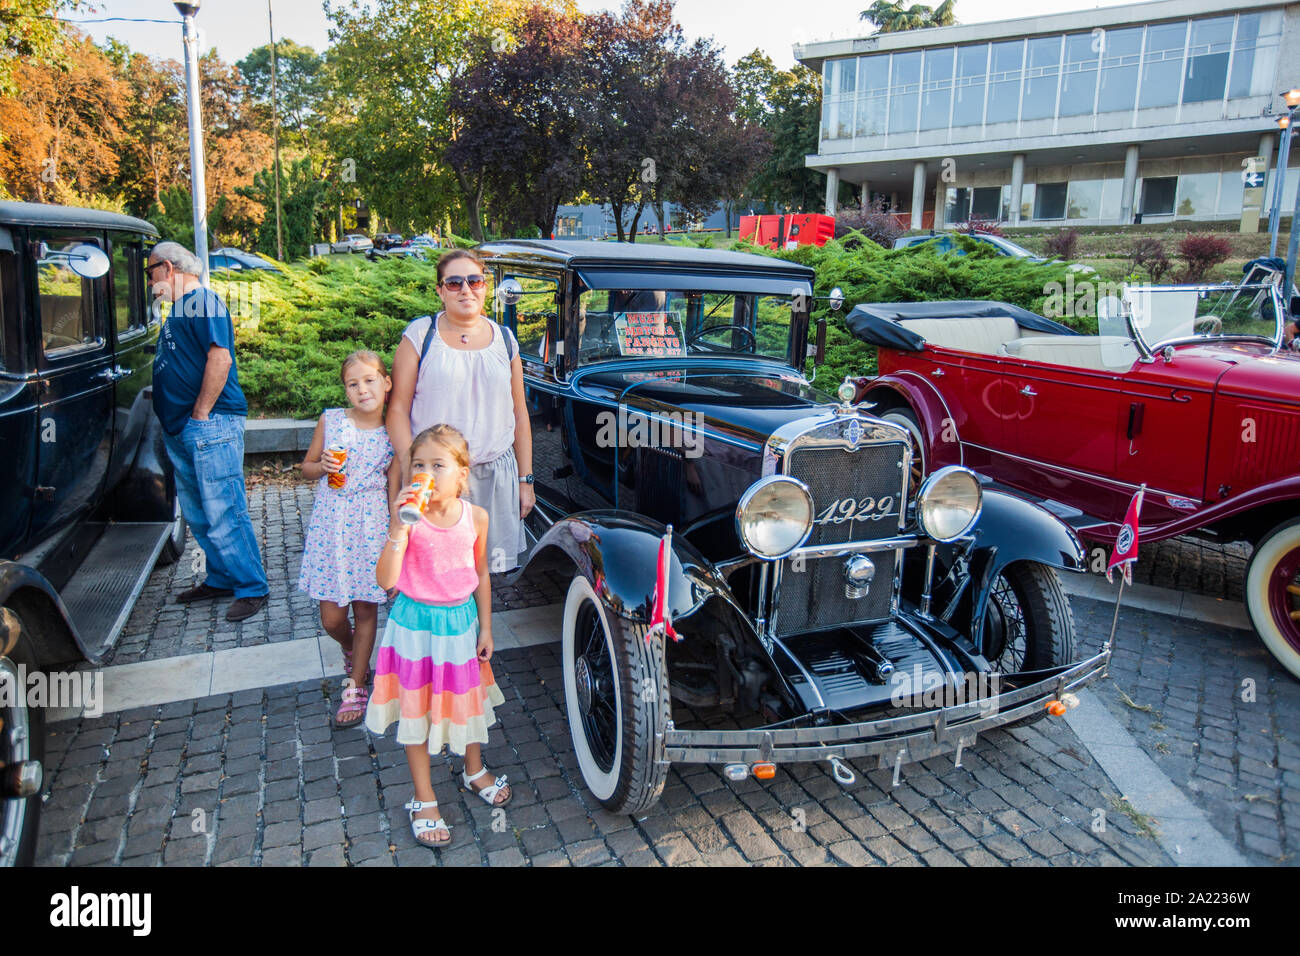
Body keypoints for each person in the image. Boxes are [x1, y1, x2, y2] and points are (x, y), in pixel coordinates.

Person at [366, 425, 510, 848]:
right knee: (416, 710)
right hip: (414, 628)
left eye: (438, 465)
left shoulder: (476, 517)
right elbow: (385, 580)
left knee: (467, 702)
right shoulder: (409, 519)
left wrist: (486, 626)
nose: (425, 473)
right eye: (418, 466)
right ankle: (423, 797)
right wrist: (398, 527)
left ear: (462, 475)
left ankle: (473, 767)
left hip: (460, 625)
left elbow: (480, 573)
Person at [387, 249, 534, 573]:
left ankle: (477, 626)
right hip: (434, 481)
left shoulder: (506, 341)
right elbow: (397, 409)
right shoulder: (421, 335)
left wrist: (526, 480)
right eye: (454, 283)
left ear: (485, 286)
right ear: (440, 290)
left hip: (495, 478)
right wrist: (410, 464)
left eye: (474, 280)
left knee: (483, 576)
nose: (466, 289)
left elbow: (520, 414)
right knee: (435, 574)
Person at [148, 241, 268, 622]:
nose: (150, 282)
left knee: (224, 510)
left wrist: (200, 413)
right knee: (200, 513)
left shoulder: (201, 301)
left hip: (208, 424)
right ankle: (221, 577)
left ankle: (252, 587)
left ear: (167, 267)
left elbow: (221, 356)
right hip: (184, 427)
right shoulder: (184, 307)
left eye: (150, 273)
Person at [298, 351, 398, 727]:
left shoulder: (393, 429)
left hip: (371, 525)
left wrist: (393, 537)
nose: (362, 389)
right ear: (345, 390)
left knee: (366, 609)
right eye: (353, 384)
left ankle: (356, 683)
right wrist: (320, 466)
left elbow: (393, 488)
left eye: (370, 380)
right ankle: (349, 645)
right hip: (332, 525)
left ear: (386, 383)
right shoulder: (333, 420)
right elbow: (306, 467)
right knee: (332, 618)